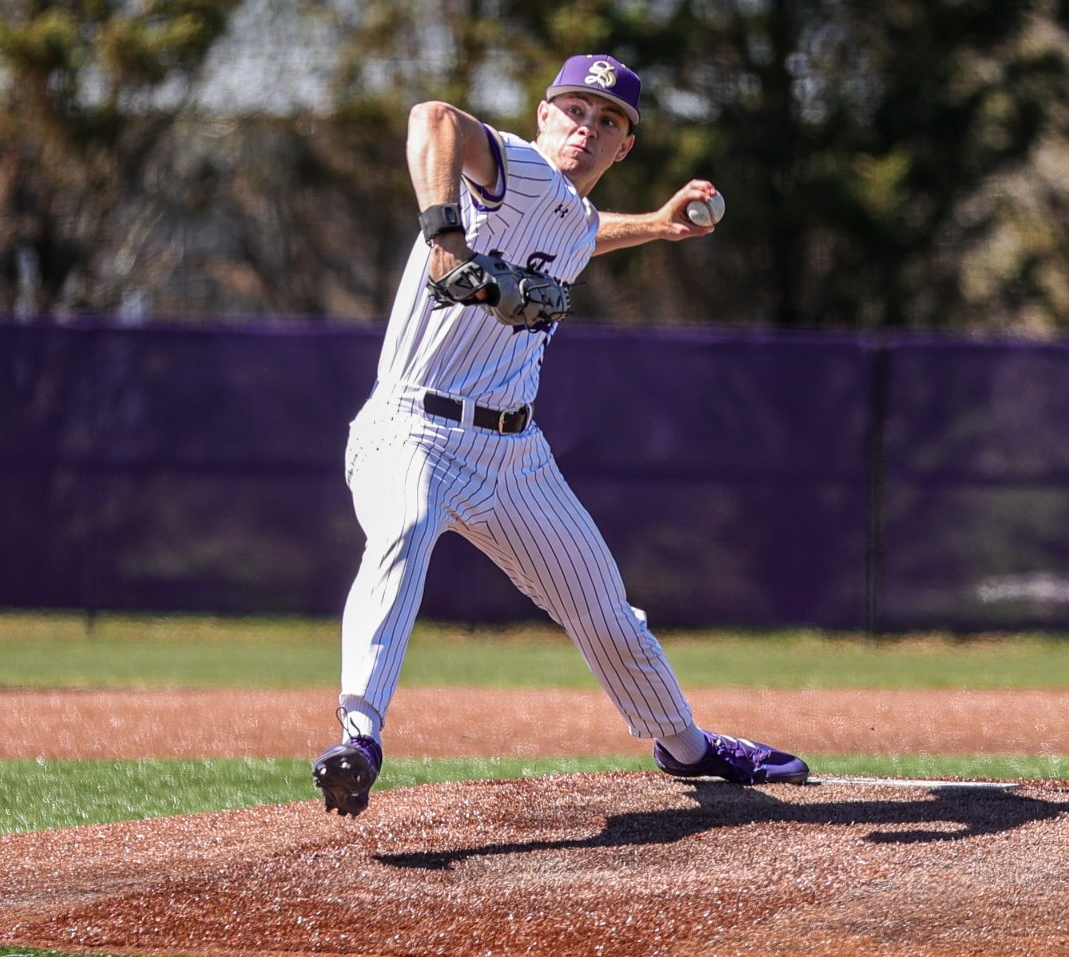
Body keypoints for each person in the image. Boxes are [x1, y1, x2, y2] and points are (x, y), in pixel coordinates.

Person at [312, 53, 809, 817]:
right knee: (401, 535)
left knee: (604, 609)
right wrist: (445, 233)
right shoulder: (514, 170)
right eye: (575, 109)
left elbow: (584, 232)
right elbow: (432, 118)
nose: (587, 127)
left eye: (608, 121)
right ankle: (360, 736)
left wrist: (658, 225)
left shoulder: (572, 216)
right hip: (412, 429)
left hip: (514, 457)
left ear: (623, 147)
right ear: (544, 115)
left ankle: (686, 746)